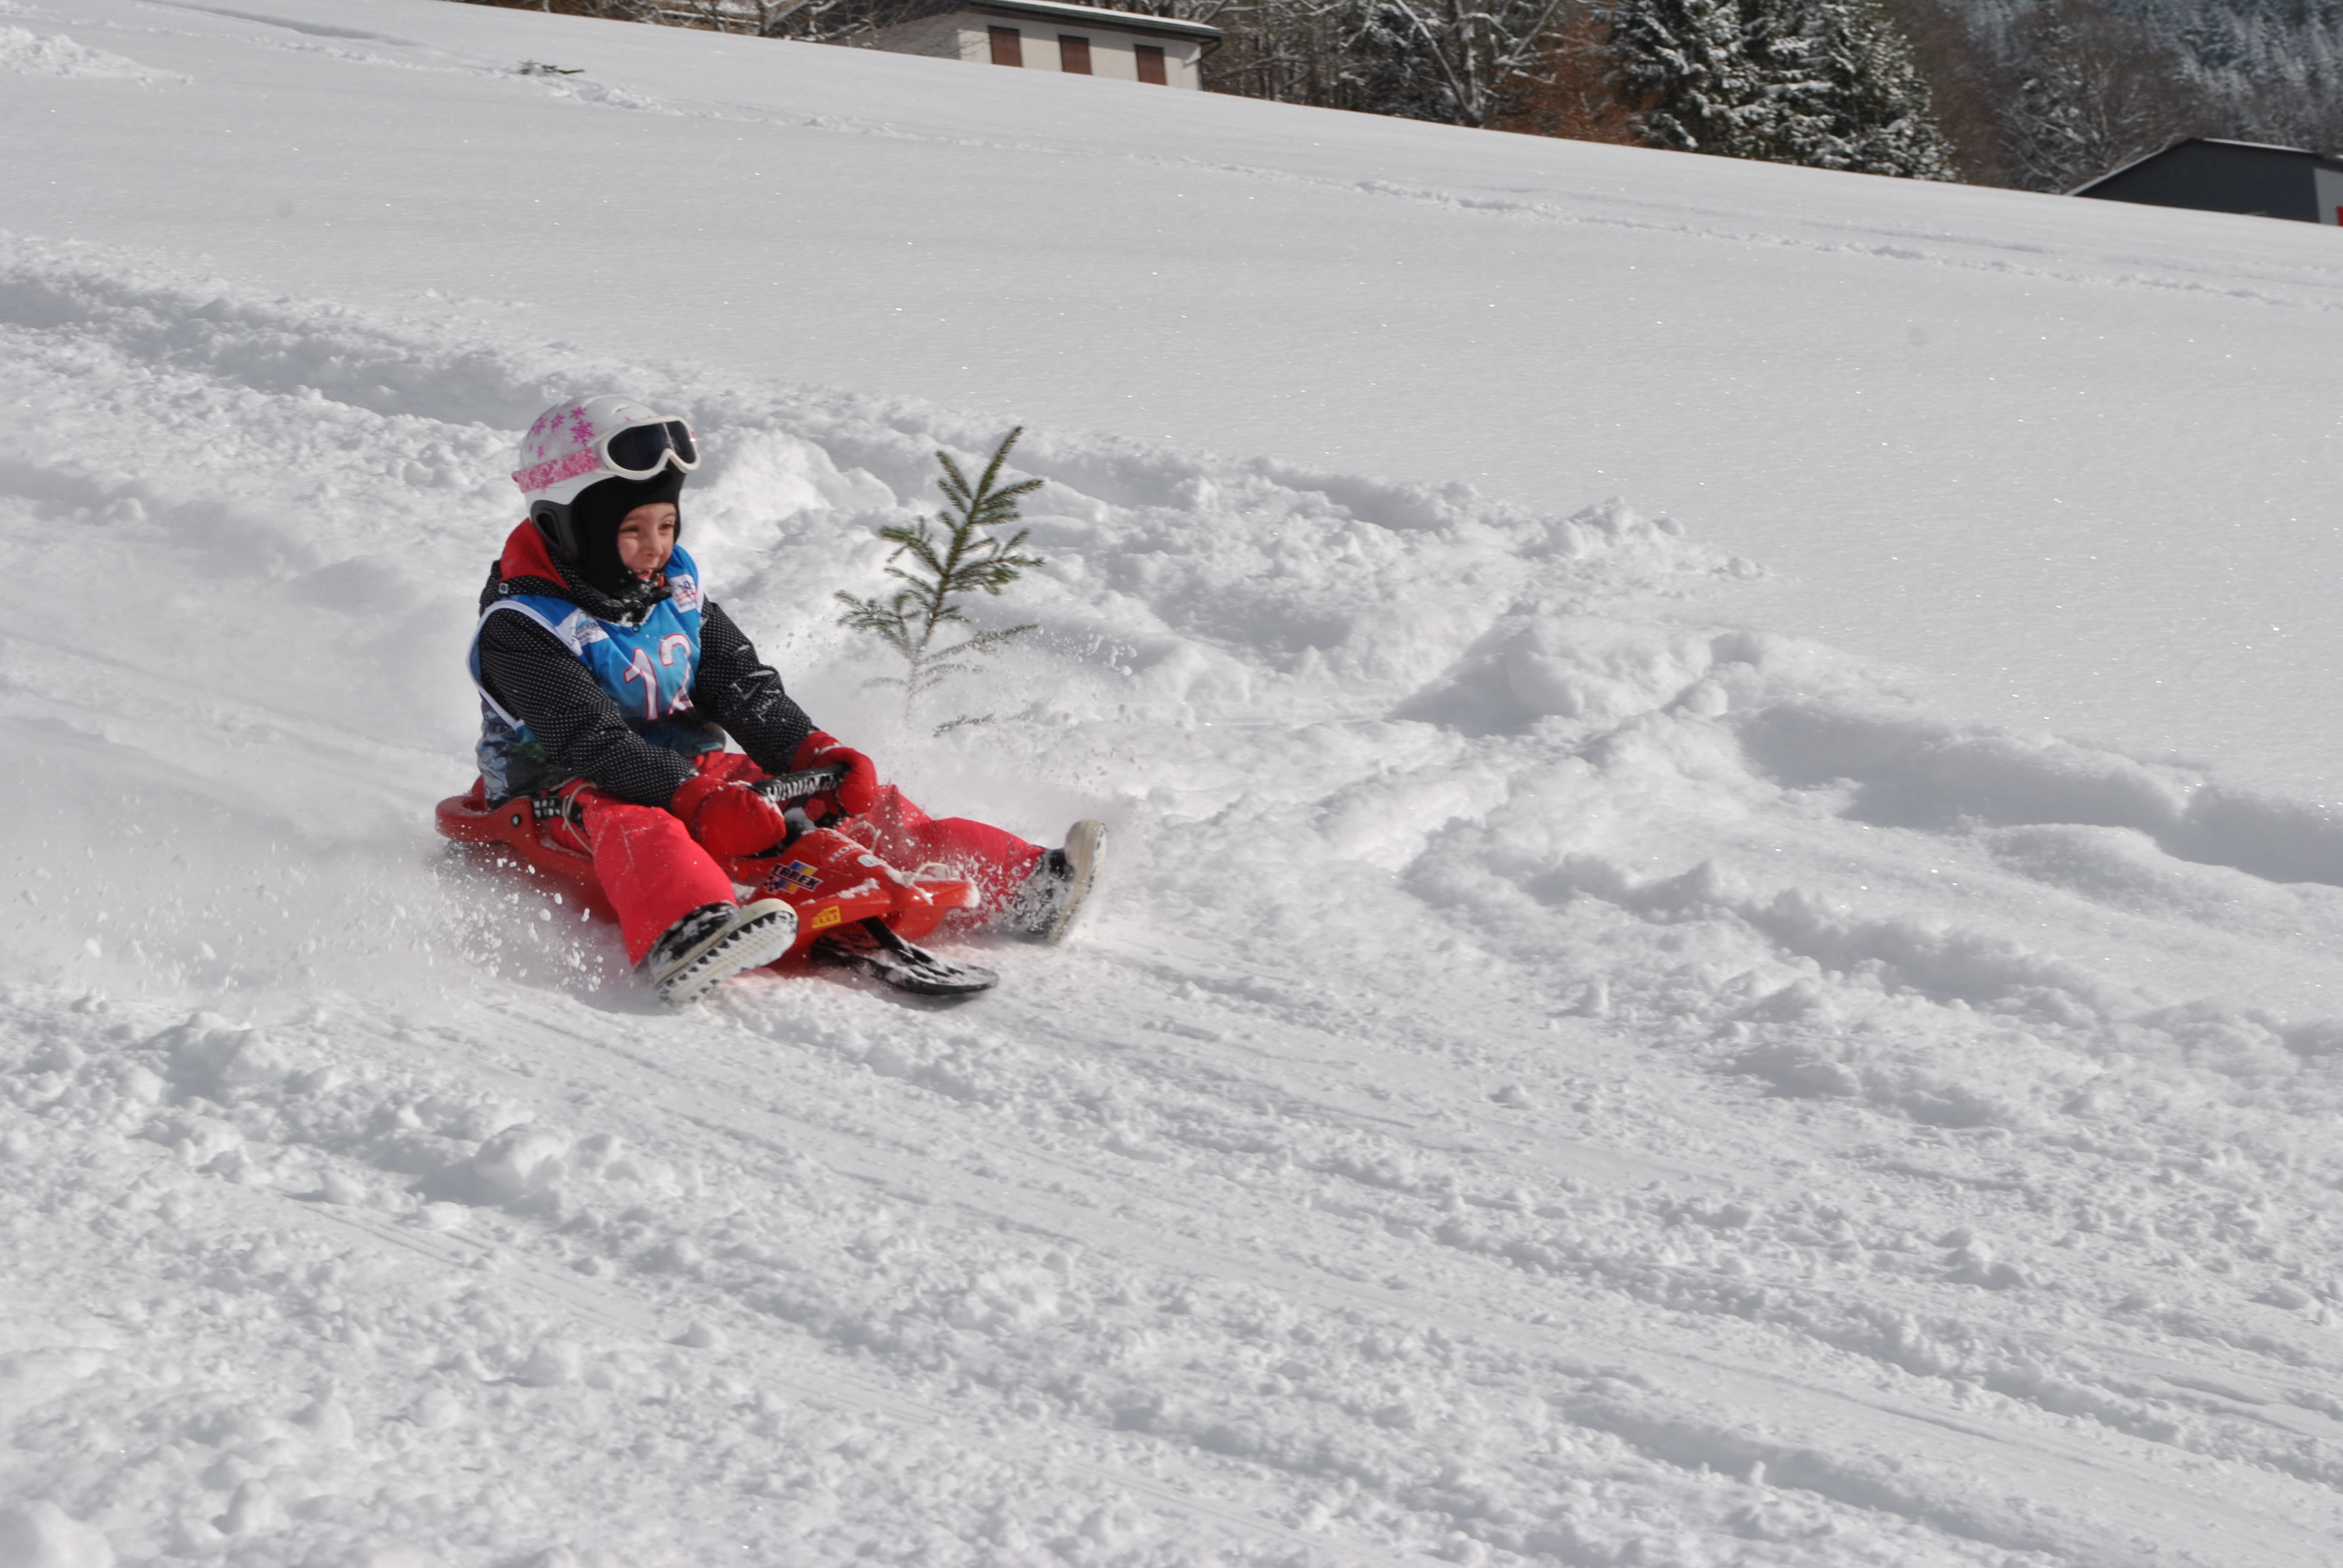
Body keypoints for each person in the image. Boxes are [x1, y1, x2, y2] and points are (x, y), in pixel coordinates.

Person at [467, 395, 1102, 1004]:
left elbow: (734, 681)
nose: (655, 545)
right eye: (630, 529)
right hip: (563, 789)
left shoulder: (673, 586)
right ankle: (684, 933)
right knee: (641, 825)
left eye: (665, 522)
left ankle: (1024, 887)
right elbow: (591, 742)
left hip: (687, 771)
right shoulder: (523, 624)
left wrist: (809, 751)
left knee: (855, 807)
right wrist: (694, 797)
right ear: (563, 526)